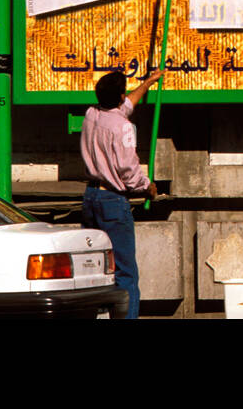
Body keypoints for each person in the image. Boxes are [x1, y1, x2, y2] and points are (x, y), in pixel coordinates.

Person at [80, 69, 160, 319]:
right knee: (126, 273)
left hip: (90, 198)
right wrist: (147, 187)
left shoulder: (92, 114)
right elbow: (128, 170)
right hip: (113, 201)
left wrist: (146, 84)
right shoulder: (124, 128)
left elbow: (125, 106)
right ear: (120, 96)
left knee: (93, 268)